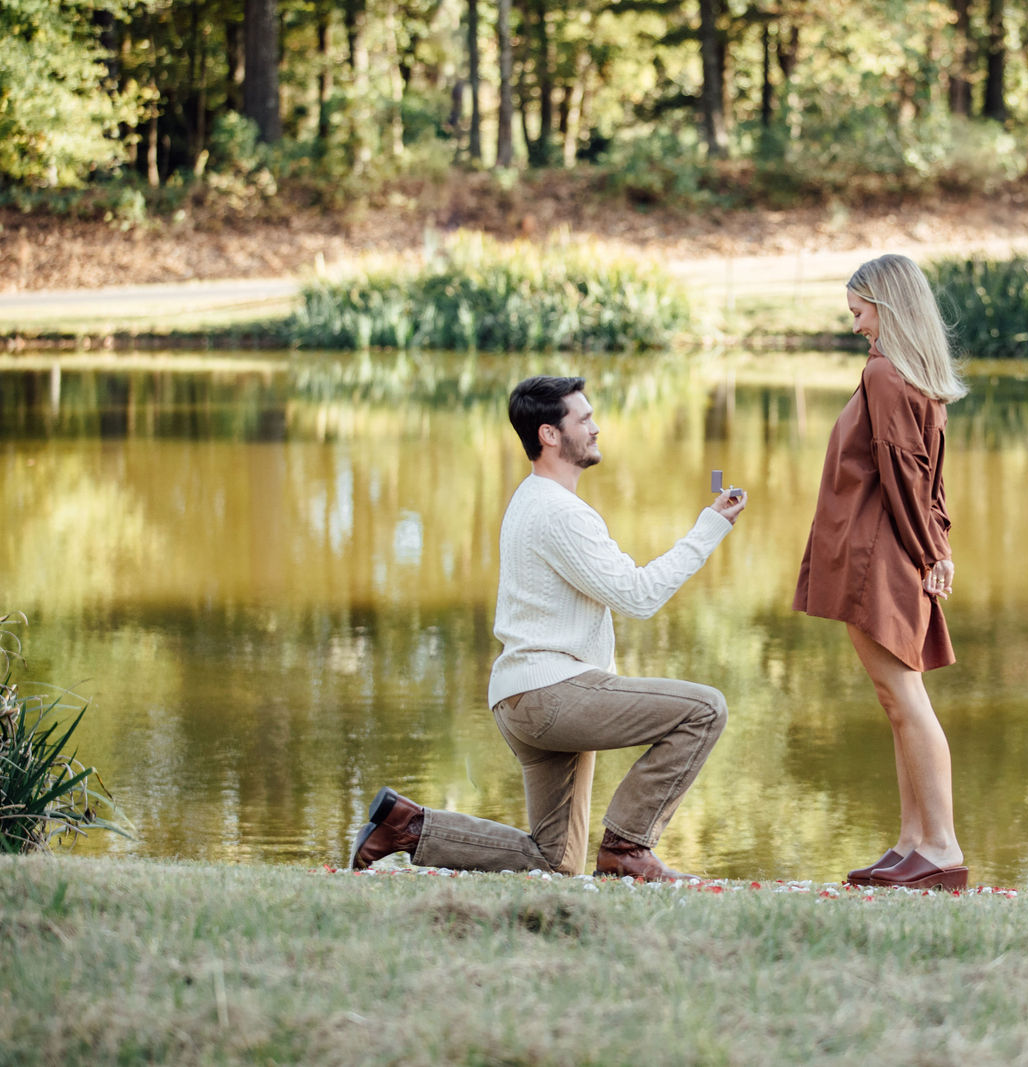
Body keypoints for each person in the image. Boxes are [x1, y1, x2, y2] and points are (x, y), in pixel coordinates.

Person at [351, 375, 748, 882]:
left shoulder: (532, 499)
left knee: (553, 860)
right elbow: (639, 596)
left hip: (524, 697)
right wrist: (710, 528)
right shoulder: (560, 512)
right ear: (550, 435)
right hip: (551, 694)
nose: (596, 427)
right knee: (704, 710)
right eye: (584, 420)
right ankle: (628, 848)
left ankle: (409, 828)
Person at [794, 253, 969, 892]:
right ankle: (911, 843)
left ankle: (941, 847)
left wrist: (930, 551)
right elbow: (928, 478)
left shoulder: (885, 375)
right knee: (895, 700)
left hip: (880, 557)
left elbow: (904, 477)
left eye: (861, 312)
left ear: (888, 308)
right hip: (889, 551)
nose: (858, 325)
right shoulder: (912, 377)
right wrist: (936, 544)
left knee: (904, 698)